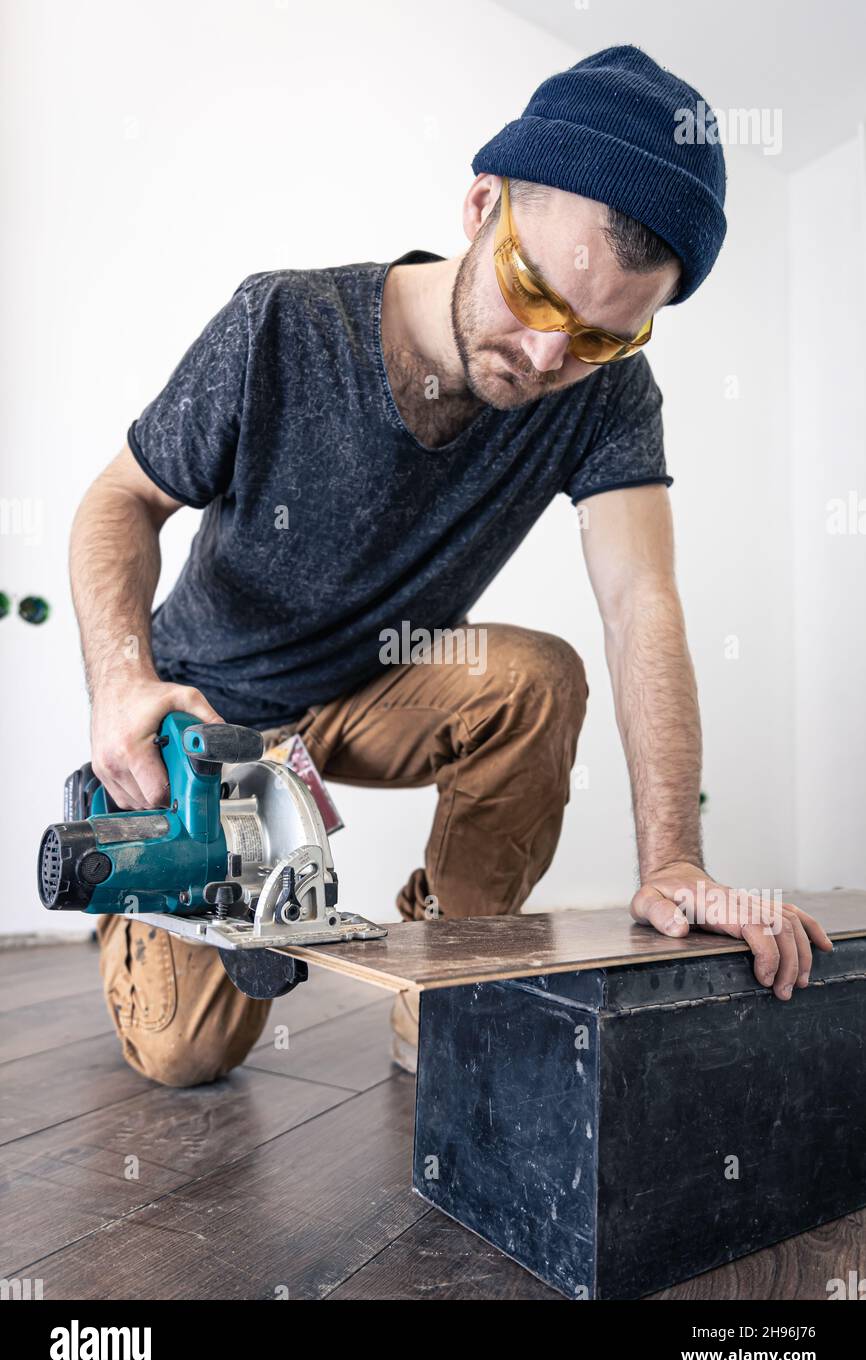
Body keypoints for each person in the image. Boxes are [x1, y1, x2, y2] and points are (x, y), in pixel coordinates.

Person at [71, 45, 831, 1086]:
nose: (547, 357)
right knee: (185, 1056)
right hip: (216, 722)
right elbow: (120, 499)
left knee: (535, 679)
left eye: (601, 338)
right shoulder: (283, 324)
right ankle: (130, 890)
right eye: (533, 295)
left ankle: (448, 980)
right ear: (481, 206)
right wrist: (119, 680)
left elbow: (639, 601)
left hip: (378, 681)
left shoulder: (601, 395)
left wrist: (672, 861)